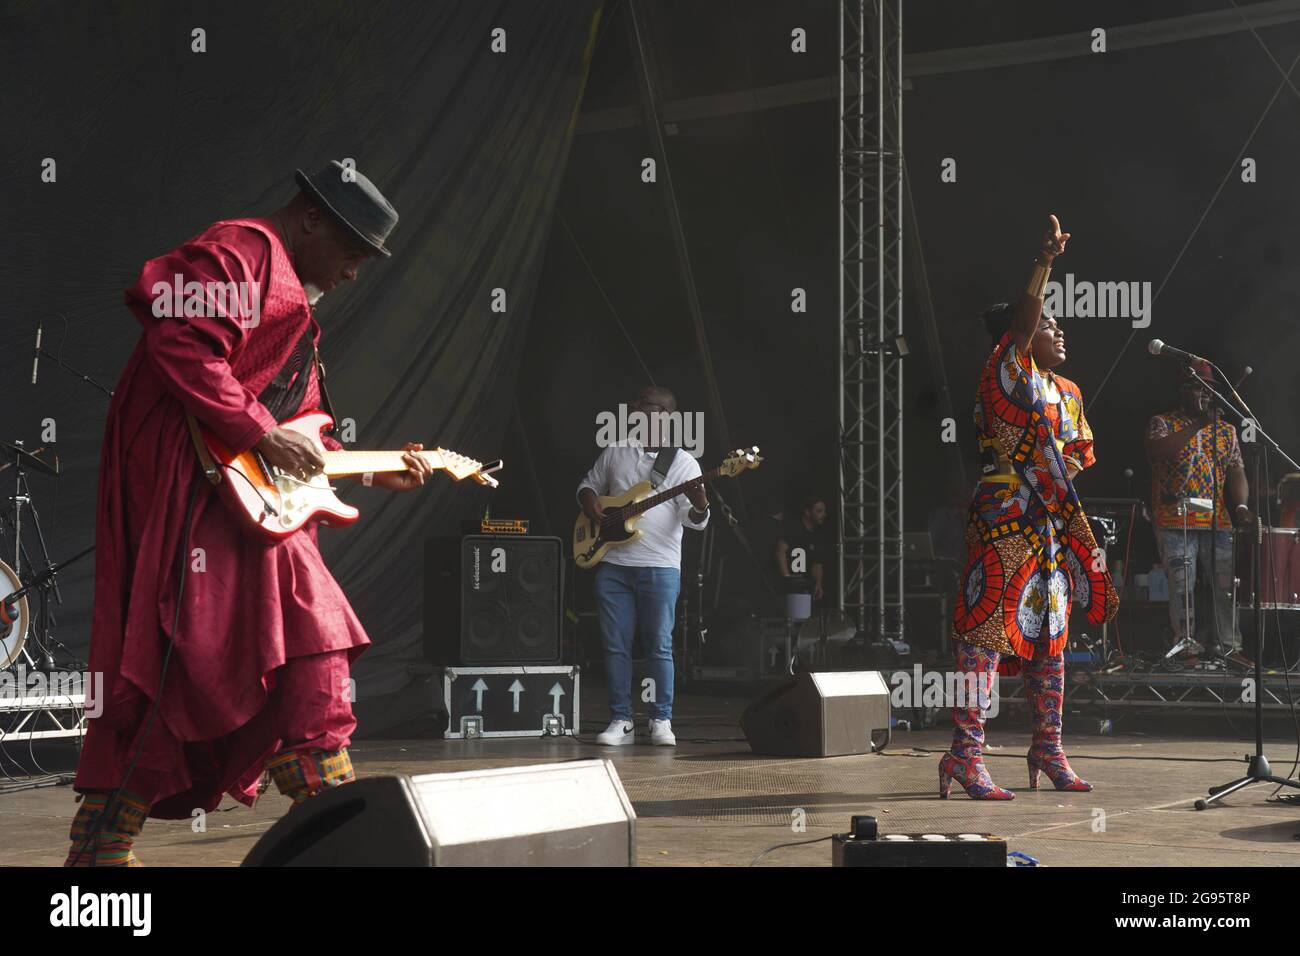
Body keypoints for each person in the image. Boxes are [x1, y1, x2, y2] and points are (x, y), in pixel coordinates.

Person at [67, 161, 435, 866]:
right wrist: (254, 432)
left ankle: (109, 848)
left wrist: (374, 467)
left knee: (233, 653)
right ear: (309, 220)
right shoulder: (243, 250)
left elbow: (300, 434)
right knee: (232, 640)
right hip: (190, 491)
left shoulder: (298, 308)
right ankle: (336, 828)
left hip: (233, 500)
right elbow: (178, 340)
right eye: (351, 252)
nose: (354, 273)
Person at [942, 215, 1118, 801]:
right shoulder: (1005, 373)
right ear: (1019, 335)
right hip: (1002, 522)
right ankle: (965, 756)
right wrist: (1044, 263)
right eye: (1049, 323)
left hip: (1048, 532)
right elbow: (1022, 324)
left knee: (1051, 641)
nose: (1059, 330)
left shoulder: (1067, 393)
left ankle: (1048, 748)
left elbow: (1072, 460)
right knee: (985, 637)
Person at [577, 386, 709, 746]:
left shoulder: (683, 462)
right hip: (613, 563)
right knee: (615, 645)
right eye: (636, 403)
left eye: (643, 403)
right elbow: (589, 484)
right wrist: (589, 502)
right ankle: (621, 719)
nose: (635, 407)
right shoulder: (617, 450)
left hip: (660, 566)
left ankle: (661, 720)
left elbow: (692, 518)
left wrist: (699, 504)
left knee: (659, 645)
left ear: (663, 412)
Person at [1145, 362, 1253, 666]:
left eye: (1209, 389)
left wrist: (1242, 506)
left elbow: (1236, 472)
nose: (1204, 394)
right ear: (1182, 391)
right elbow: (1161, 452)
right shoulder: (1163, 423)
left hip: (1216, 518)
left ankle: (1229, 647)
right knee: (1183, 585)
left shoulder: (1227, 431)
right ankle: (1186, 647)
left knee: (1225, 586)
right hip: (1173, 518)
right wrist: (1200, 424)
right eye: (1197, 387)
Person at [775, 496, 829, 602]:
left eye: (824, 511)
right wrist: (787, 578)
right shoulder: (794, 527)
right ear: (807, 512)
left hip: (804, 585)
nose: (824, 515)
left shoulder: (819, 534)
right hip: (783, 582)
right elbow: (780, 551)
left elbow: (817, 564)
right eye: (819, 511)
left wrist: (818, 584)